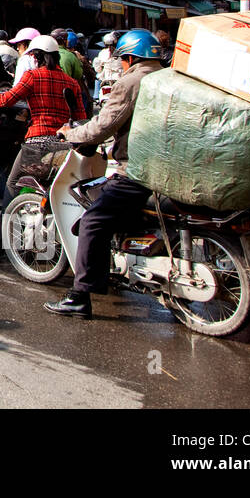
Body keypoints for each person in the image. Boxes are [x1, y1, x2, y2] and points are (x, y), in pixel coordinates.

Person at [43, 30, 164, 318]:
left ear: (131, 57)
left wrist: (73, 134)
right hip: (167, 169)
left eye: (123, 59)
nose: (121, 63)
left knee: (93, 221)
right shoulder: (167, 77)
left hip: (138, 170)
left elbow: (105, 125)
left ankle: (80, 296)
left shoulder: (133, 81)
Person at [0, 33, 86, 206]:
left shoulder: (33, 76)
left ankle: (6, 223)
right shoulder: (71, 83)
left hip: (38, 142)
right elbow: (81, 117)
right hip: (65, 145)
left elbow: (6, 99)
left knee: (13, 183)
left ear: (35, 57)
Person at [92, 32, 123, 98]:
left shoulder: (122, 54)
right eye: (107, 46)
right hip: (109, 80)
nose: (110, 48)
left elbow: (98, 69)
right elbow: (98, 69)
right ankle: (96, 96)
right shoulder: (103, 53)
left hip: (116, 80)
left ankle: (96, 96)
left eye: (111, 45)